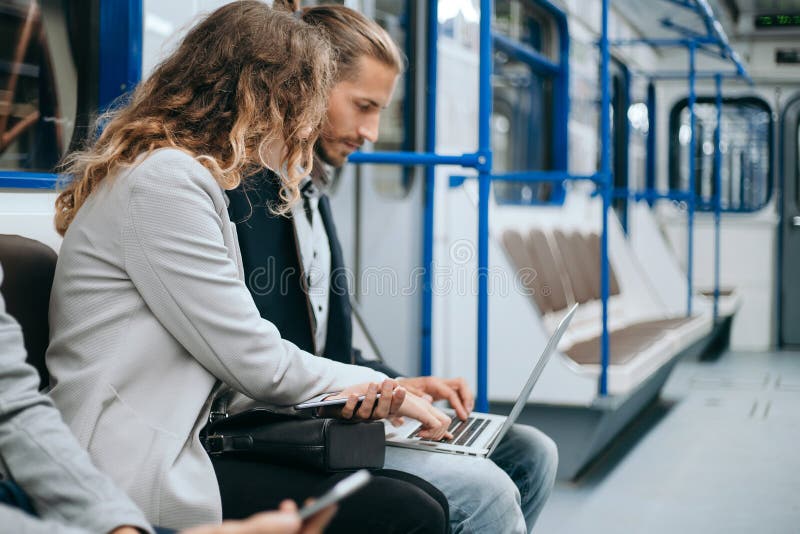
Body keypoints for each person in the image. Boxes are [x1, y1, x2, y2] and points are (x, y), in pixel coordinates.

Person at [45, 2, 450, 532]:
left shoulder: (186, 177)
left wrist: (371, 395)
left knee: (414, 498)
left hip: (182, 434)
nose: (306, 130)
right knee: (409, 511)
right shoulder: (165, 183)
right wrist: (377, 387)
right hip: (132, 464)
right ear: (265, 99)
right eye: (303, 105)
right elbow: (255, 361)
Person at [228, 3, 559, 533]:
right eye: (362, 106)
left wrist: (401, 384)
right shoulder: (247, 202)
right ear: (309, 88)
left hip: (321, 409)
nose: (372, 132)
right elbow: (265, 364)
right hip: (275, 428)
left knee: (531, 453)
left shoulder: (312, 197)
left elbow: (326, 350)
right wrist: (379, 396)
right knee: (488, 489)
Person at [0, 264, 335, 534]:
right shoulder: (159, 185)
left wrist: (117, 525)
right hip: (138, 459)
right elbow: (259, 363)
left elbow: (14, 410)